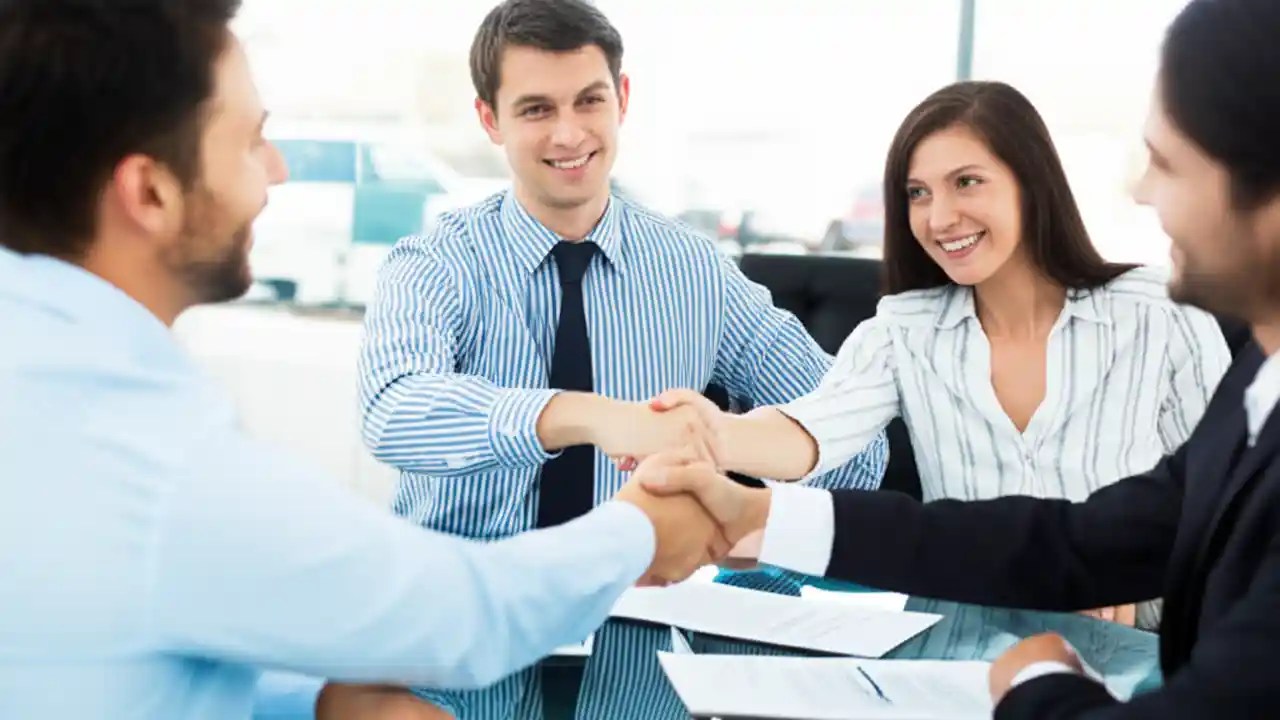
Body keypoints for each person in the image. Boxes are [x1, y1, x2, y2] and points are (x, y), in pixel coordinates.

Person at [0, 2, 727, 718]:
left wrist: (309, 701)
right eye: (252, 142)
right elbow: (468, 621)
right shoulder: (158, 458)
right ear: (151, 193)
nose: (278, 171)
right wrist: (641, 529)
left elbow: (114, 641)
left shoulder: (42, 379)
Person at [642, 0, 1280, 715]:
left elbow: (1195, 542)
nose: (940, 216)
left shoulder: (1164, 316)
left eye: (967, 182)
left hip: (1131, 660)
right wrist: (732, 470)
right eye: (918, 193)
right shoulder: (907, 327)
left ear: (1032, 183)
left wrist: (1069, 652)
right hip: (953, 655)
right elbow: (1070, 540)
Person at [327, 0, 888, 717]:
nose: (569, 134)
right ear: (490, 120)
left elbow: (853, 446)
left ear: (621, 99)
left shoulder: (695, 271)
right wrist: (590, 417)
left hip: (642, 646)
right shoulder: (435, 261)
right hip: (458, 640)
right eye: (536, 109)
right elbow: (393, 409)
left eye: (588, 101)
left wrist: (723, 467)